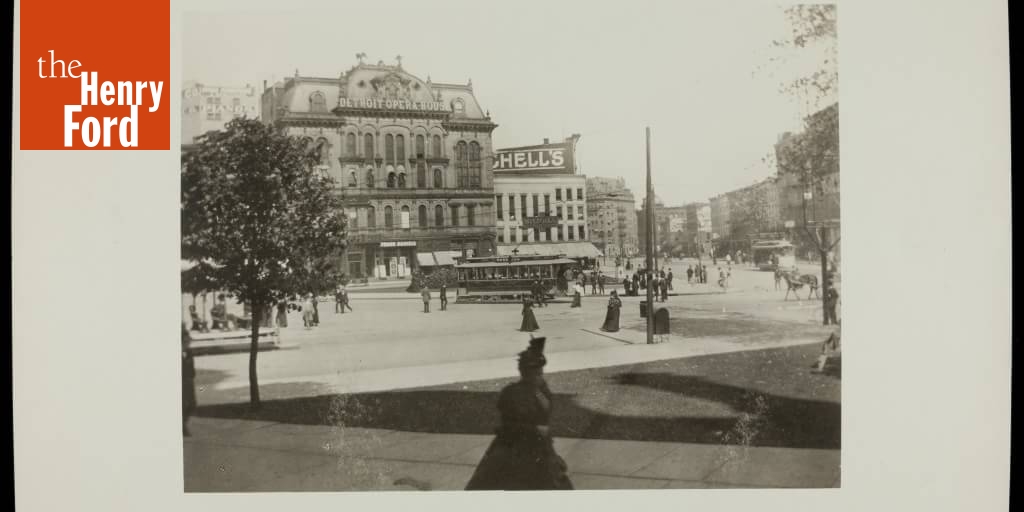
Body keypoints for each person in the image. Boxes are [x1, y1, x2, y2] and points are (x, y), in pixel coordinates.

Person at [465, 337, 573, 490]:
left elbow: (545, 413)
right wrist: (535, 429)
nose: (540, 376)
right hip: (516, 451)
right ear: (525, 373)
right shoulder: (512, 393)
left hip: (541, 450)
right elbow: (508, 427)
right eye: (535, 373)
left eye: (540, 372)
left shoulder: (541, 391)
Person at [181, 323, 196, 437]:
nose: (189, 343)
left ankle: (184, 423)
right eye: (186, 341)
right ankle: (183, 426)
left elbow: (191, 366)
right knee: (182, 405)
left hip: (189, 381)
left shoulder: (189, 352)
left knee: (192, 405)